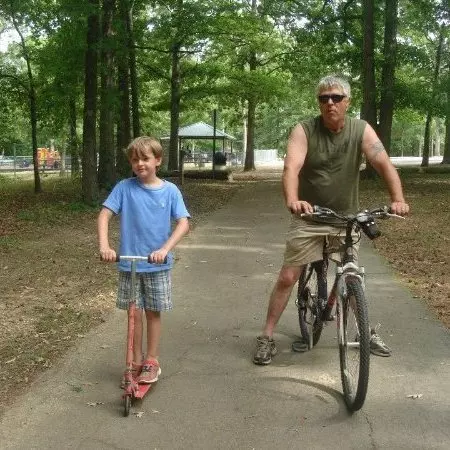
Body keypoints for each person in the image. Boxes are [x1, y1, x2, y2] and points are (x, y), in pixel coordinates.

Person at [253, 75, 410, 365]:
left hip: (345, 219)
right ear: (319, 102)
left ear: (347, 101)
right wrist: (293, 200)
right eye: (324, 98)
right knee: (289, 277)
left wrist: (397, 199)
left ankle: (363, 332)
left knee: (351, 278)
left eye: (336, 98)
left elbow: (383, 162)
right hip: (309, 217)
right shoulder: (305, 130)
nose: (330, 103)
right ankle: (267, 336)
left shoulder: (360, 130)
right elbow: (291, 167)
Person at [98, 136, 190, 383]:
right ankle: (134, 362)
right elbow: (105, 215)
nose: (140, 164)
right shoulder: (124, 187)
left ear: (158, 160)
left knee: (152, 312)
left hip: (157, 265)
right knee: (133, 313)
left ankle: (151, 360)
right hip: (130, 263)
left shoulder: (170, 191)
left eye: (145, 159)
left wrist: (165, 249)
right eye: (135, 159)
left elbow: (183, 223)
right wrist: (105, 246)